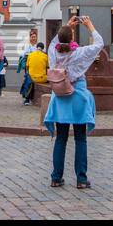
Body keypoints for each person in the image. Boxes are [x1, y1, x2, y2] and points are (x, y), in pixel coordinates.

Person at [45, 15, 102, 189]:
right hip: (77, 96)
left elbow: (53, 43)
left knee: (61, 139)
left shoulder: (54, 52)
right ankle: (82, 179)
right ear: (72, 39)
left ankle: (56, 177)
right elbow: (99, 44)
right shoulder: (79, 53)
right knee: (80, 139)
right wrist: (90, 25)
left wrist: (66, 26)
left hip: (60, 97)